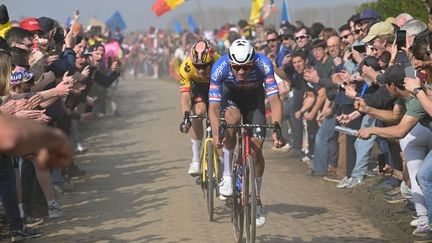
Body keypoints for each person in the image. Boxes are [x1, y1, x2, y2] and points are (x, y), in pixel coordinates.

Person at [208, 39, 284, 227]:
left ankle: (256, 199)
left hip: (254, 100)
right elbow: (213, 108)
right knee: (231, 121)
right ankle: (227, 174)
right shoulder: (220, 67)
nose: (241, 72)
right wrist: (218, 133)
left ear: (253, 61)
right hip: (230, 96)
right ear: (230, 62)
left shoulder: (264, 64)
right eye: (236, 68)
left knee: (256, 151)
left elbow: (275, 100)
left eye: (246, 67)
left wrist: (277, 129)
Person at [178, 40, 220, 176]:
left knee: (220, 116)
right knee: (198, 112)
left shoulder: (219, 63)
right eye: (197, 66)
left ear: (211, 61)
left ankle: (220, 157)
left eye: (205, 66)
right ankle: (196, 159)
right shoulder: (186, 67)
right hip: (198, 89)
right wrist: (186, 116)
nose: (201, 70)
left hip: (216, 87)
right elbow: (185, 96)